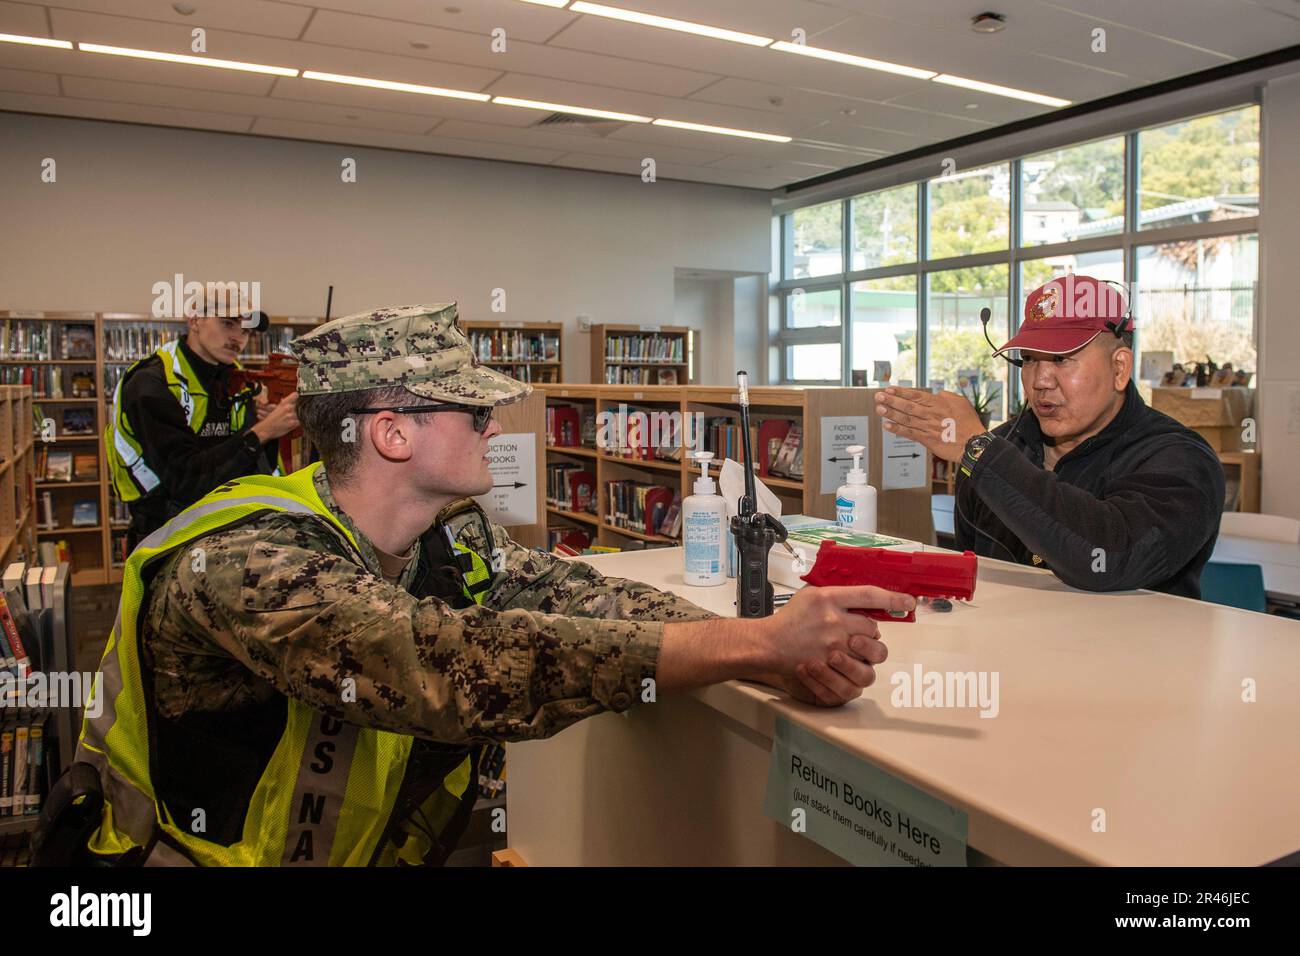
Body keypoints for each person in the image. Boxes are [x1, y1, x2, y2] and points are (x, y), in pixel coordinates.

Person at [60, 303, 914, 867]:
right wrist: (753, 644)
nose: (498, 426)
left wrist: (761, 650)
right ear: (391, 434)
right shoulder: (251, 564)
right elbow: (451, 662)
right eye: (472, 412)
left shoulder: (447, 530)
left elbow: (570, 594)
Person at [875, 275, 1223, 598]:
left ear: (1119, 368)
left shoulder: (1179, 459)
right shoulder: (996, 450)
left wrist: (981, 453)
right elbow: (974, 576)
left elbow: (1109, 558)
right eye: (1028, 359)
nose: (1040, 380)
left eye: (1061, 358)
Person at [106, 309, 300, 547]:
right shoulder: (151, 383)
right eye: (228, 323)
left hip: (229, 531)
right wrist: (263, 432)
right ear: (195, 320)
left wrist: (264, 425)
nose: (238, 338)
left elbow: (253, 468)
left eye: (246, 331)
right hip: (166, 538)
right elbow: (185, 481)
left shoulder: (238, 380)